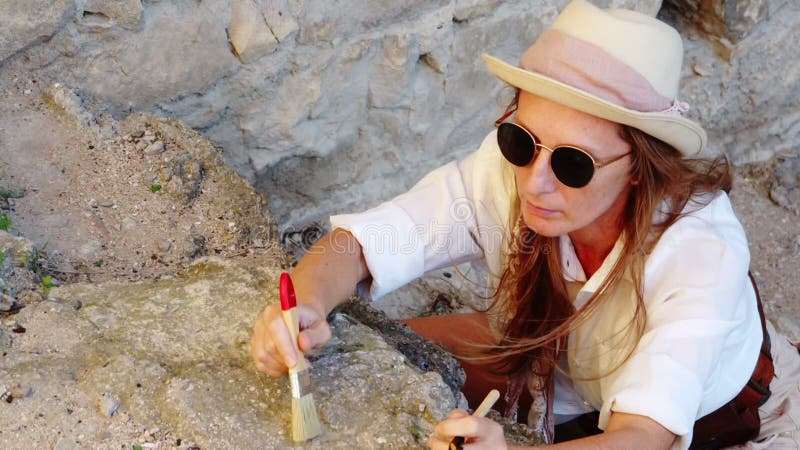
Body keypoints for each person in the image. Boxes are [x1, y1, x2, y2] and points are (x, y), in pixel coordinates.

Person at [251, 1, 800, 448]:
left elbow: (643, 436)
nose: (534, 182)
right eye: (521, 140)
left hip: (720, 423)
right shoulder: (513, 168)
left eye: (572, 164)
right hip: (559, 366)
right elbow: (367, 242)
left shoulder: (700, 250)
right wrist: (302, 305)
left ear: (640, 167)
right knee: (371, 355)